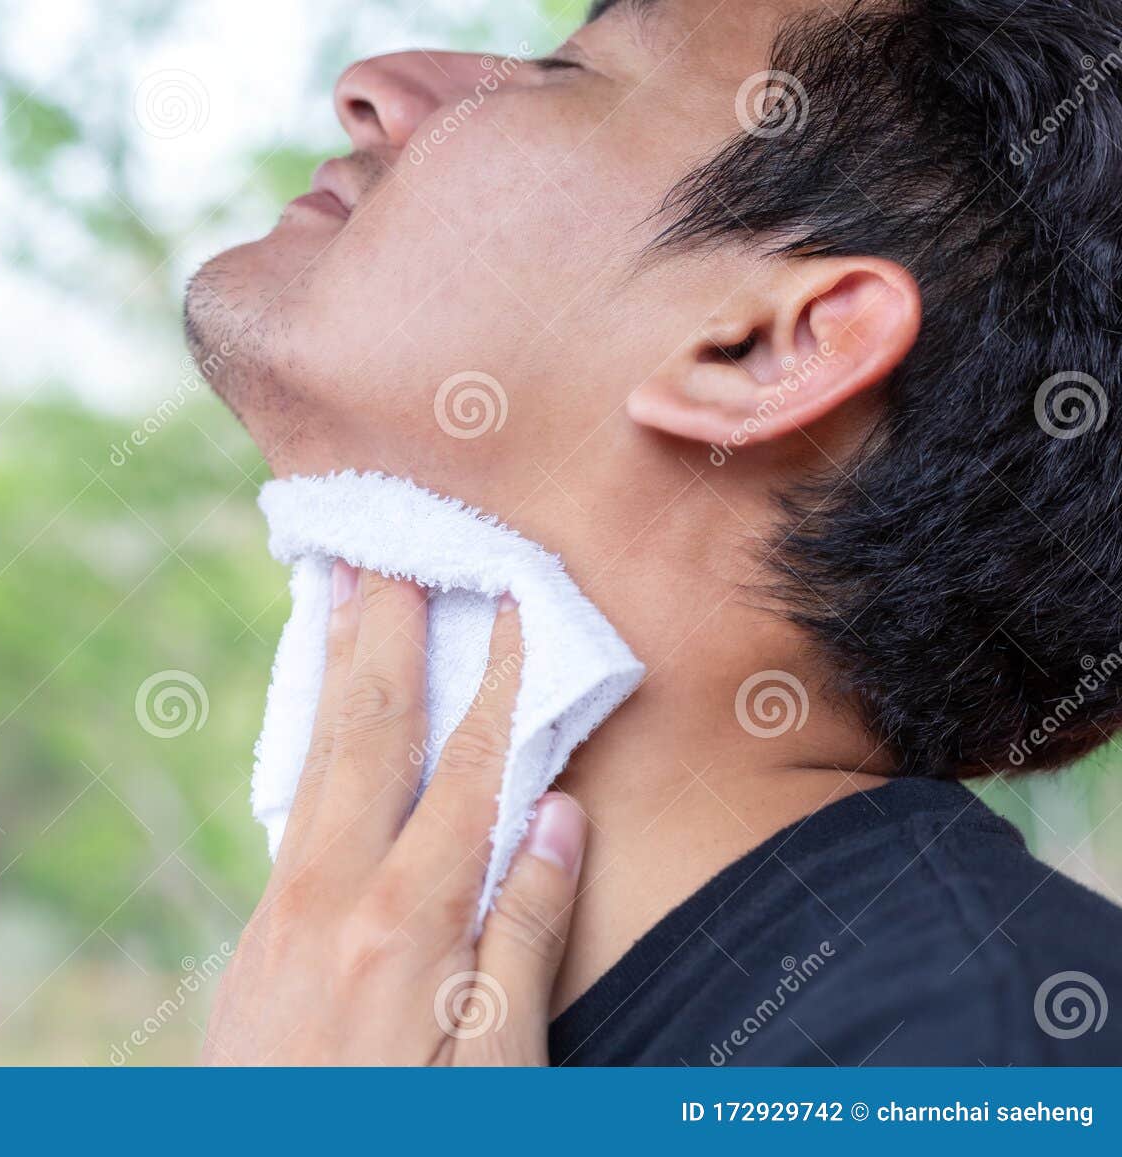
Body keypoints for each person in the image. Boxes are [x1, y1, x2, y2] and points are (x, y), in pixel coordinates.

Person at [188, 0, 1122, 1064]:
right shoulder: (338, 1026)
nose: (374, 85)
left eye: (558, 72)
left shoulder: (982, 1045)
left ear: (760, 350)